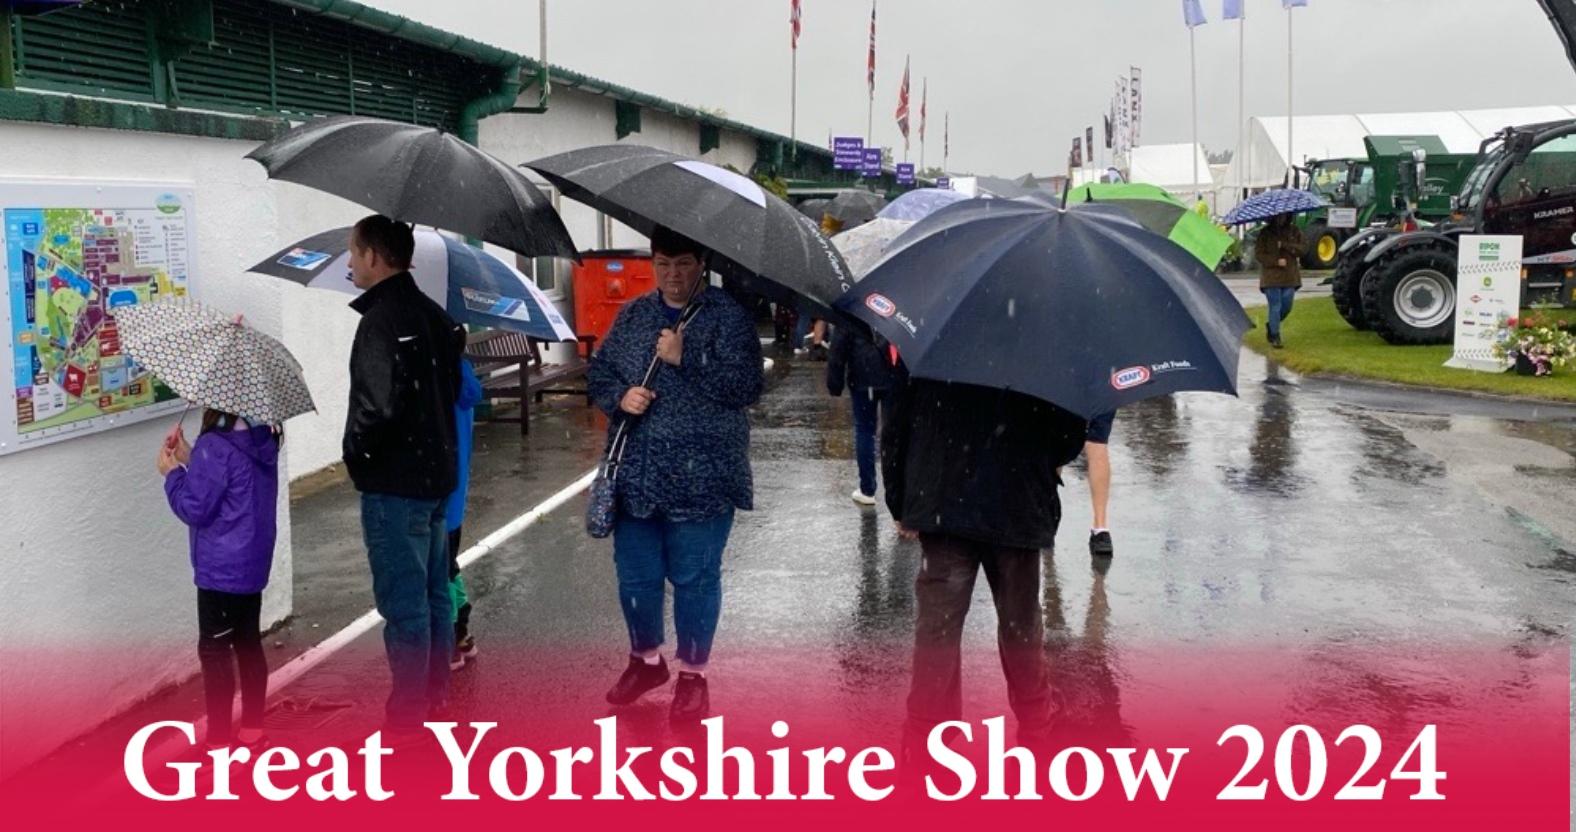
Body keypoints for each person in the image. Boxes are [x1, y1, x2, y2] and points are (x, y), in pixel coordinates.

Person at [587, 226, 764, 724]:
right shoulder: (636, 315)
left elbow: (747, 387)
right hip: (639, 476)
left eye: (682, 263)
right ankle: (645, 661)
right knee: (636, 577)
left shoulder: (728, 318)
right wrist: (619, 397)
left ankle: (692, 675)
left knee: (695, 578)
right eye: (663, 264)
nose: (672, 274)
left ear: (700, 263)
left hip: (704, 476)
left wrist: (689, 358)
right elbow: (600, 373)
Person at [882, 372, 1087, 754]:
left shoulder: (935, 326)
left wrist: (900, 499)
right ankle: (1036, 730)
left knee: (937, 629)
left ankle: (926, 739)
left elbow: (897, 419)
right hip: (1017, 500)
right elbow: (1068, 435)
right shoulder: (1048, 344)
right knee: (1020, 624)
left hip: (943, 497)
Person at [342, 215, 465, 740]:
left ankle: (406, 721)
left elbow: (376, 408)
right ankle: (434, 699)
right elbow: (451, 392)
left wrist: (356, 458)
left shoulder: (380, 322)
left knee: (404, 606)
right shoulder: (434, 316)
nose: (349, 263)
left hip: (394, 486)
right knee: (436, 593)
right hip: (437, 479)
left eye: (353, 252)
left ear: (374, 256)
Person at [157, 409, 281, 752]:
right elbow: (233, 477)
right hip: (252, 564)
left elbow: (195, 507)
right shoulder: (262, 436)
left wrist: (172, 474)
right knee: (247, 644)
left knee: (214, 653)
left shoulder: (216, 445)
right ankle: (253, 732)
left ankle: (218, 745)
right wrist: (191, 455)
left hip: (219, 570)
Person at [826, 326, 898, 506]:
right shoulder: (895, 302)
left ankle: (867, 489)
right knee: (893, 433)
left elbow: (838, 347)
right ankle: (897, 493)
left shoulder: (852, 305)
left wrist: (835, 384)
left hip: (862, 375)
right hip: (891, 372)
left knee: (865, 430)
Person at [446, 357, 483, 671]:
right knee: (447, 563)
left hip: (435, 488)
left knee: (438, 567)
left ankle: (449, 640)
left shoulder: (436, 373)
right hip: (455, 490)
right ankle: (461, 632)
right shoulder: (461, 370)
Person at [1255, 214, 1306, 349]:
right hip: (1271, 278)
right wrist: (1275, 261)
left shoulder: (1294, 231)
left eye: (1284, 215)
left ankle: (1272, 325)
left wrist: (1285, 245)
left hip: (1289, 277)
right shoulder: (1265, 233)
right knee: (1275, 306)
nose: (1281, 218)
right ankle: (1275, 336)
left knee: (1287, 306)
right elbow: (1259, 255)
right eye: (1278, 216)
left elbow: (1302, 250)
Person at [1085, 410, 1117, 558]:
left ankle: (1049, 514)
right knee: (1097, 443)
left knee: (1056, 440)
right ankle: (1101, 528)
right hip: (1101, 389)